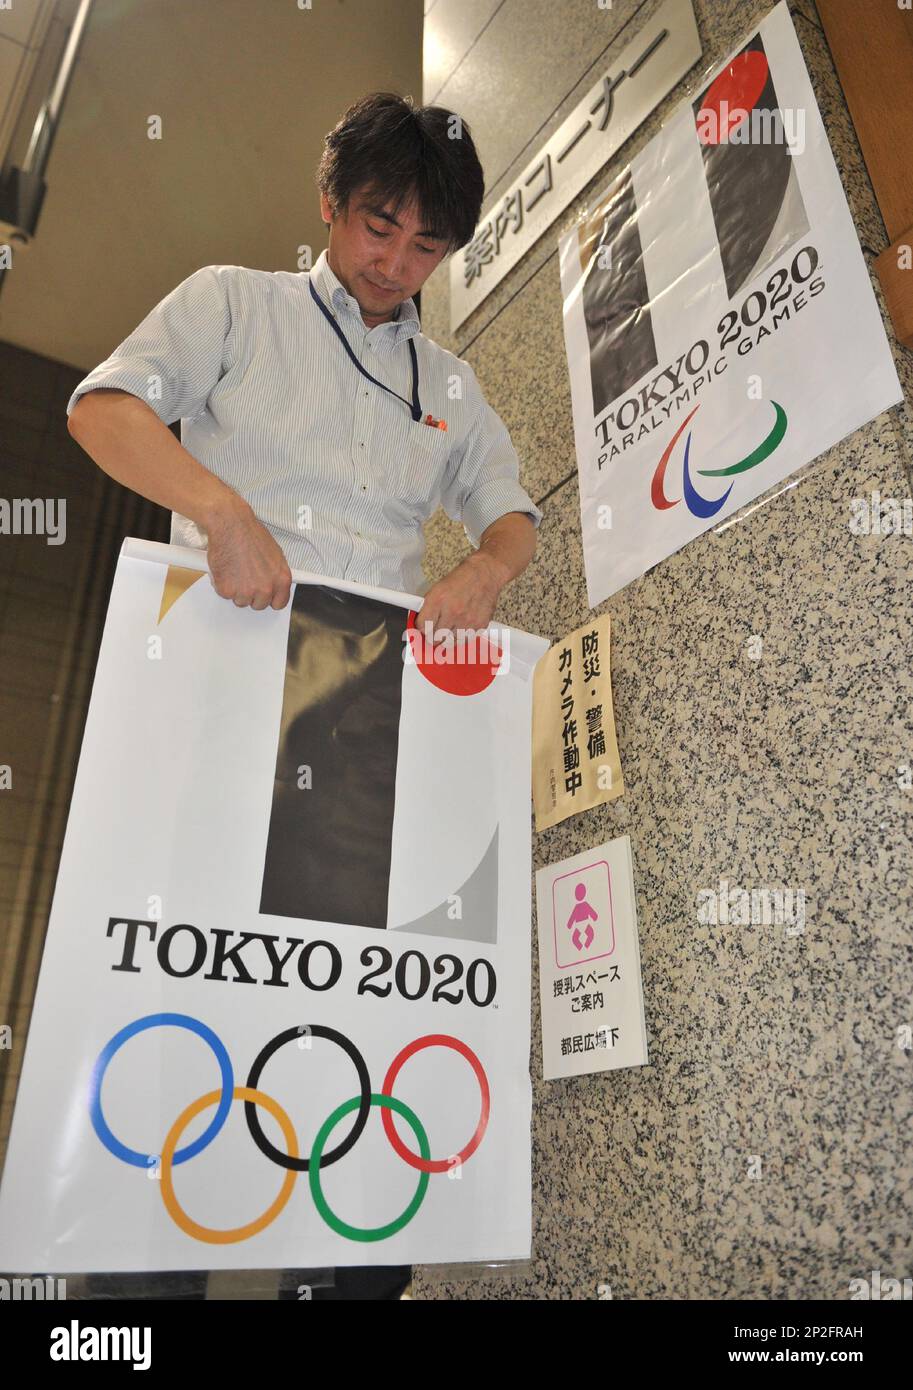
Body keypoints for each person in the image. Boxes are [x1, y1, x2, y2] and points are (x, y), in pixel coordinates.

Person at [66, 91, 542, 1301]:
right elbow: (105, 406)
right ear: (330, 203)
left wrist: (483, 569)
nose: (395, 263)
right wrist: (221, 508)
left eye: (426, 246)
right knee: (181, 999)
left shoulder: (450, 379)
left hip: (370, 728)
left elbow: (512, 514)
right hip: (216, 702)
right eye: (378, 226)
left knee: (349, 1026)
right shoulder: (235, 303)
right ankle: (132, 1292)